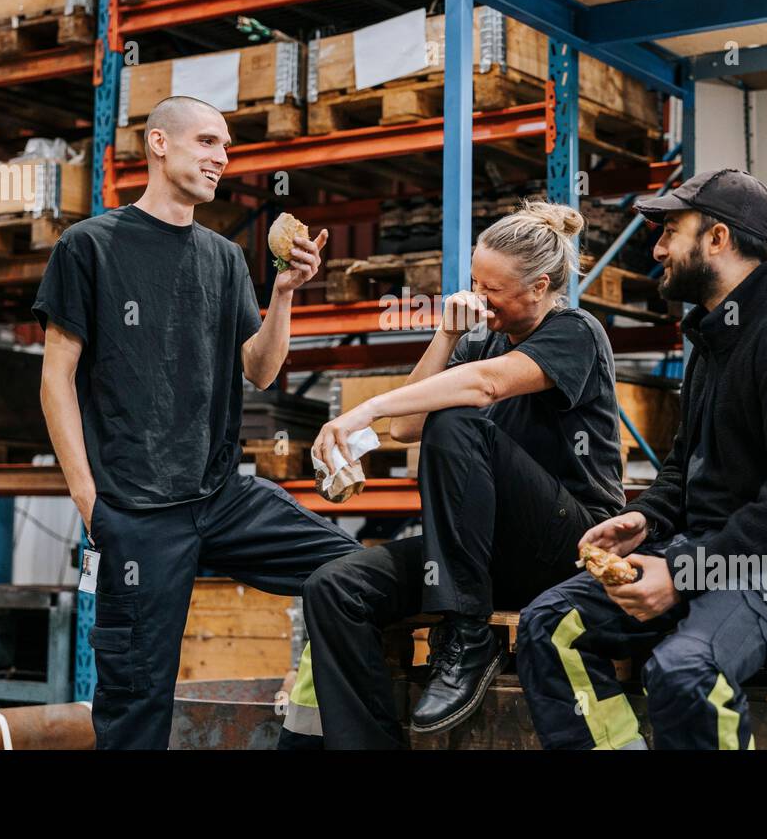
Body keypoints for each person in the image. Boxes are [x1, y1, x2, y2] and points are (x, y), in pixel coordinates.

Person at [514, 169, 767, 750]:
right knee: (550, 626)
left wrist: (682, 571)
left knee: (684, 673)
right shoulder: (711, 338)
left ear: (718, 238)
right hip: (716, 547)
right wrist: (647, 519)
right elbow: (683, 467)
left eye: (670, 230)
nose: (657, 249)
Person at [34, 96, 360, 749]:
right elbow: (55, 377)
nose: (221, 159)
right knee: (136, 699)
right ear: (159, 143)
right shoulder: (90, 247)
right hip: (136, 507)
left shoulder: (223, 258)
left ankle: (314, 737)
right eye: (209, 142)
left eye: (226, 148)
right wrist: (89, 498)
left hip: (222, 496)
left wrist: (285, 295)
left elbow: (261, 370)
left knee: (351, 573)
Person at [278, 200, 626, 749]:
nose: (477, 298)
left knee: (459, 422)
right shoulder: (480, 340)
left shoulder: (576, 333)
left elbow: (482, 388)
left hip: (568, 546)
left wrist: (365, 408)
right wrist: (445, 335)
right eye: (473, 282)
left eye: (492, 290)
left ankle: (467, 634)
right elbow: (408, 428)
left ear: (538, 287)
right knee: (335, 586)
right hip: (481, 555)